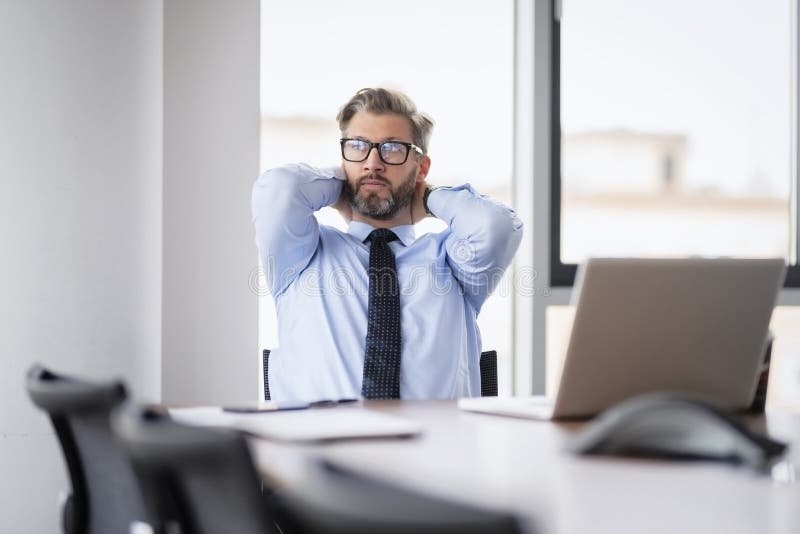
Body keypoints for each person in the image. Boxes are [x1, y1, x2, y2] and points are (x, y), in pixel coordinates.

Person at [252, 87, 522, 401]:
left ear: (420, 167)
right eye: (357, 146)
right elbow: (279, 189)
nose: (373, 163)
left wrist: (429, 196)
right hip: (319, 444)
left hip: (437, 446)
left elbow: (496, 225)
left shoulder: (452, 262)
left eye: (392, 149)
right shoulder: (301, 255)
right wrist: (342, 184)